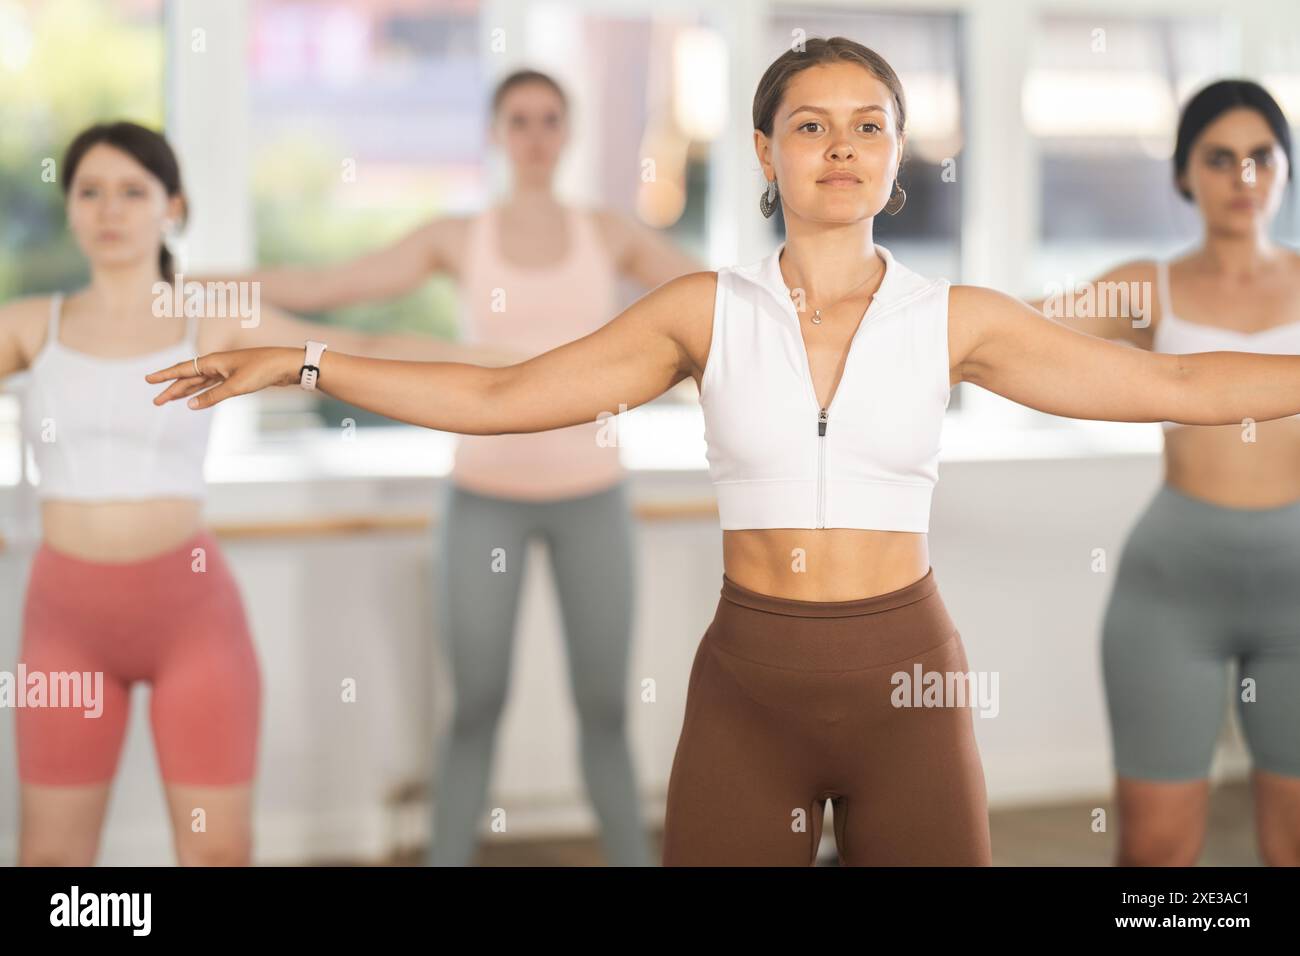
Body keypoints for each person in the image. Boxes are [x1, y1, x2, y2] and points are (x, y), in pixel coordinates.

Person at [147, 38, 1300, 866]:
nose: (840, 147)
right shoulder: (703, 309)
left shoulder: (961, 319)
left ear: (898, 157)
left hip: (909, 681)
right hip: (748, 686)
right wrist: (306, 361)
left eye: (867, 127)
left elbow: (1182, 383)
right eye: (810, 124)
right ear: (765, 150)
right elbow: (505, 391)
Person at [197, 69, 702, 867]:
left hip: (593, 497)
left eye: (548, 120)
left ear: (565, 134)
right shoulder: (458, 237)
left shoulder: (608, 233)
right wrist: (183, 289)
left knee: (605, 710)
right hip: (485, 499)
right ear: (497, 135)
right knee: (475, 706)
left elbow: (719, 298)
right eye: (518, 121)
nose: (534, 136)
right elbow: (328, 285)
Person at [0, 121, 513, 866]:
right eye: (90, 192)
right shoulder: (28, 326)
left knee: (218, 855)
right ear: (71, 207)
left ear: (172, 206)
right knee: (52, 863)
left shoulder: (211, 319)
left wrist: (520, 366)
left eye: (132, 191)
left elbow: (357, 352)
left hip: (191, 618)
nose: (110, 210)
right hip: (64, 625)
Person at [1028, 79, 1300, 866]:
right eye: (1220, 160)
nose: (1243, 179)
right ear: (1186, 175)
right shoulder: (1151, 284)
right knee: (1154, 854)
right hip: (1172, 589)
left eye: (1261, 158)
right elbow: (1021, 330)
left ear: (1284, 169)